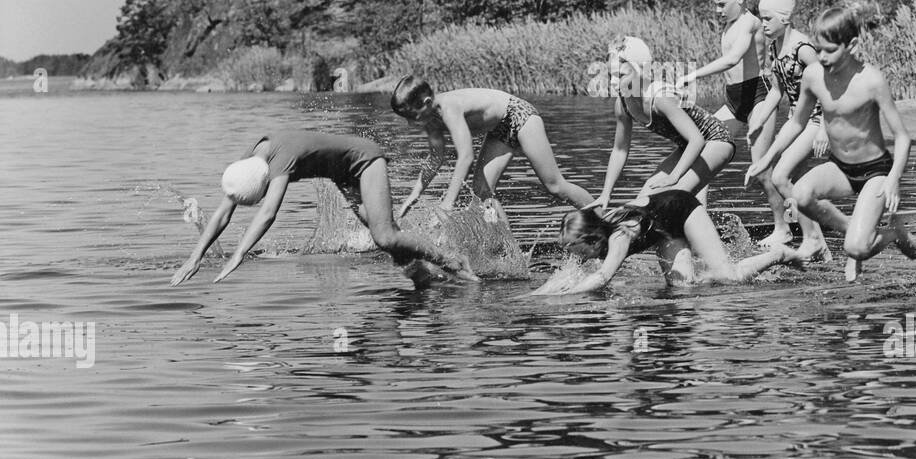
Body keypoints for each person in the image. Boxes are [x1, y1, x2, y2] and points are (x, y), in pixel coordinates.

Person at [746, 5, 916, 282]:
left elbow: (902, 136)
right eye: (819, 49)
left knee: (856, 248)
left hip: (875, 171)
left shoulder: (872, 80)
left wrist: (894, 179)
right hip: (840, 168)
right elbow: (796, 123)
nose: (822, 57)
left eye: (829, 50)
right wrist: (766, 160)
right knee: (800, 195)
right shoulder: (814, 76)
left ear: (850, 45)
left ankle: (891, 233)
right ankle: (853, 231)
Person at [170, 130, 477, 285]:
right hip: (343, 173)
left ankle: (453, 262)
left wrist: (237, 256)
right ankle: (426, 276)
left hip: (365, 161)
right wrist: (194, 258)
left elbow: (268, 214)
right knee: (388, 243)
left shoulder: (279, 161)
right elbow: (224, 210)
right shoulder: (249, 162)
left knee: (385, 236)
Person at [389, 76, 592, 216]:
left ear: (426, 102)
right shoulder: (430, 120)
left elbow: (466, 156)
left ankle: (606, 221)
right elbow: (435, 159)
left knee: (555, 186)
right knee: (482, 192)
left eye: (411, 116)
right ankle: (509, 252)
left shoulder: (449, 108)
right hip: (499, 129)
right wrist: (415, 194)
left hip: (519, 115)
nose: (410, 123)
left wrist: (448, 202)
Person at [534, 190, 802, 294]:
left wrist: (568, 295)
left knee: (728, 276)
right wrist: (537, 295)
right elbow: (566, 275)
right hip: (664, 231)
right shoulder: (587, 241)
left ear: (588, 238)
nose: (567, 252)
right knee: (683, 288)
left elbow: (603, 276)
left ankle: (778, 254)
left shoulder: (618, 236)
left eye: (570, 246)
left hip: (682, 209)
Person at [676, 0, 781, 219]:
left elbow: (733, 59)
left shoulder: (749, 23)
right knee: (701, 151)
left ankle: (784, 227)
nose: (717, 10)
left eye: (722, 4)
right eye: (716, 5)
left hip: (758, 96)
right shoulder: (730, 24)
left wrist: (691, 75)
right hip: (734, 100)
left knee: (762, 169)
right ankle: (699, 219)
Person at [597, 36, 735, 208]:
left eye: (620, 75)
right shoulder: (623, 104)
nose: (613, 82)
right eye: (611, 75)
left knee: (670, 200)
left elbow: (697, 139)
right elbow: (619, 150)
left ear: (640, 71)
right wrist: (605, 194)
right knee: (640, 207)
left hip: (715, 141)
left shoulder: (661, 98)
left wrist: (674, 177)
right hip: (688, 147)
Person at [748, 0, 831, 259]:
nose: (763, 24)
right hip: (796, 119)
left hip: (816, 120)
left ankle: (814, 239)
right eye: (761, 18)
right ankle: (818, 246)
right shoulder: (775, 47)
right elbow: (776, 90)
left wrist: (825, 128)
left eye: (768, 18)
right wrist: (758, 119)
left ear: (785, 18)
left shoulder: (803, 49)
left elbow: (829, 86)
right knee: (795, 181)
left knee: (780, 176)